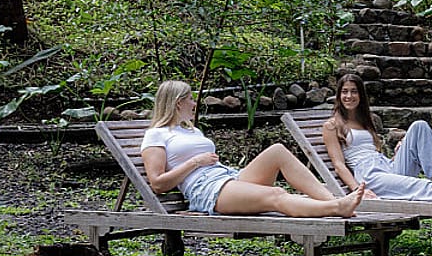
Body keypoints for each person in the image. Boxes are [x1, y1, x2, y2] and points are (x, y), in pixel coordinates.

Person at [142, 80, 371, 217]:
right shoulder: (157, 134)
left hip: (228, 177)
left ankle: (331, 201)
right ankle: (334, 208)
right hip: (207, 190)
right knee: (275, 194)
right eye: (190, 99)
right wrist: (195, 162)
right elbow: (158, 183)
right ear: (177, 102)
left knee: (278, 150)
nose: (194, 103)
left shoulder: (190, 130)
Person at [323, 73, 432, 203]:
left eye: (354, 91)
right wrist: (357, 189)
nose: (349, 96)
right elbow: (339, 164)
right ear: (339, 96)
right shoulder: (332, 126)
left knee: (419, 126)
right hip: (369, 175)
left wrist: (399, 153)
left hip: (386, 166)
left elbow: (375, 153)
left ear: (361, 95)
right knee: (416, 185)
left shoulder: (365, 122)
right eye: (345, 92)